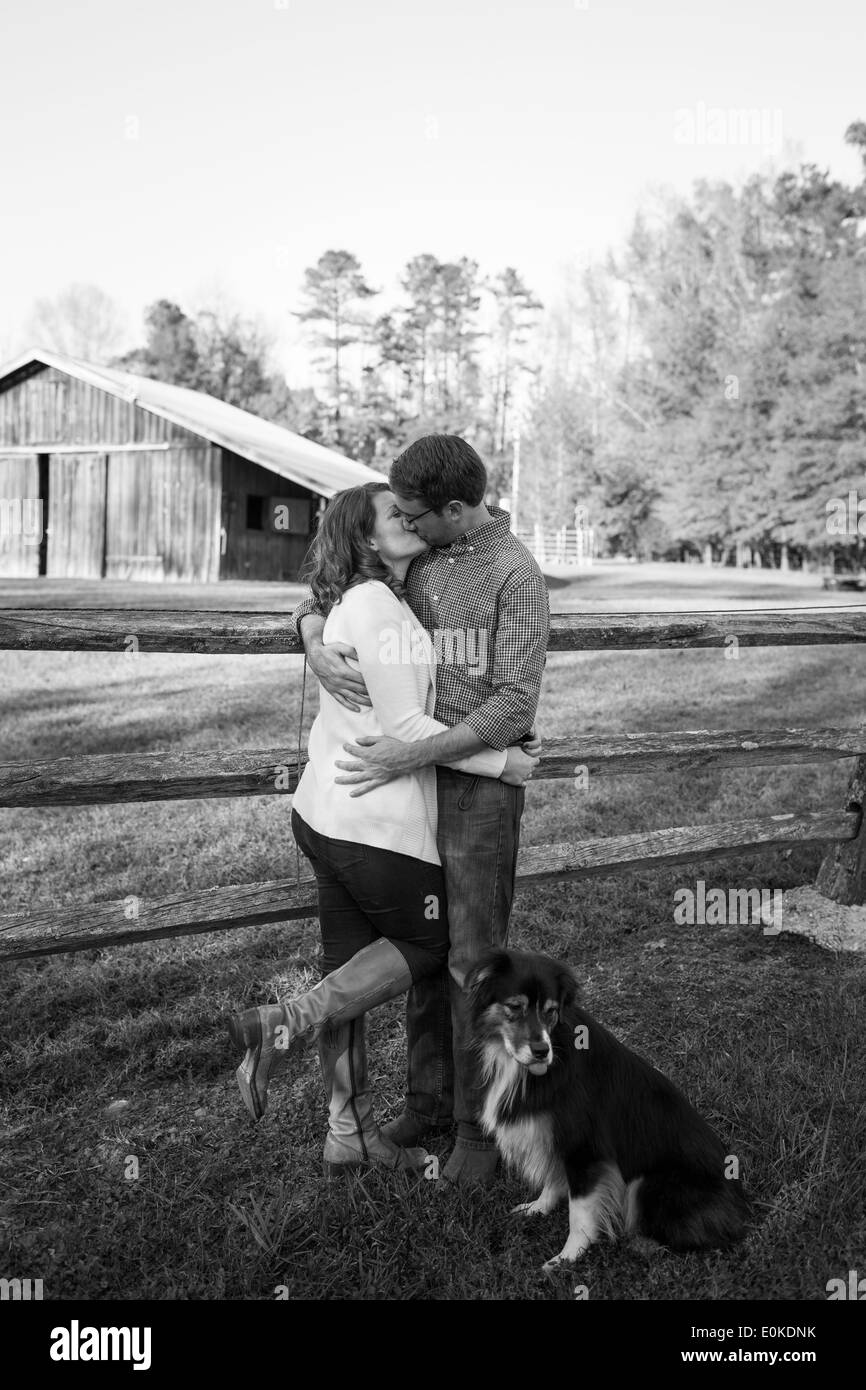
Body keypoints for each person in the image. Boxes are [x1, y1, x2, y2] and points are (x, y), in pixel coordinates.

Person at [226, 480, 539, 1177]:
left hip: (322, 812)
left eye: (414, 510)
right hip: (371, 825)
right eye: (396, 515)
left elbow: (330, 609)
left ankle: (348, 1131)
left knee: (353, 973)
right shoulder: (381, 608)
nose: (411, 518)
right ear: (368, 540)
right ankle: (287, 1021)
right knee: (432, 945)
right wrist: (504, 762)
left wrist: (311, 629)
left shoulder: (370, 596)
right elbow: (404, 729)